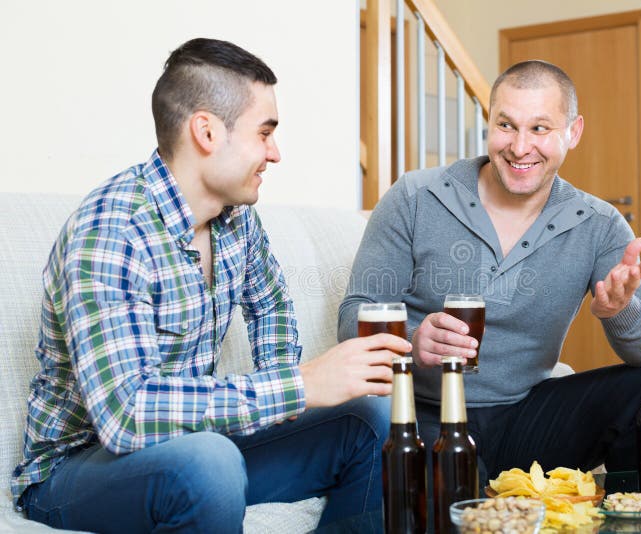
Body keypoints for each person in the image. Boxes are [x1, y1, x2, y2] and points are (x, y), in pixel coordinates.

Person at [12, 38, 410, 533]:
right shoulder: (112, 230)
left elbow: (272, 306)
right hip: (79, 469)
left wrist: (281, 385)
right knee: (209, 461)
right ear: (206, 131)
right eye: (264, 133)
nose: (275, 152)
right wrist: (296, 386)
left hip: (202, 443)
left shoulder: (236, 218)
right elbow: (126, 416)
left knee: (374, 417)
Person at [338, 60, 641, 487]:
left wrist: (620, 311)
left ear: (573, 132)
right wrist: (411, 340)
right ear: (489, 122)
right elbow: (353, 317)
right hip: (425, 414)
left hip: (527, 415)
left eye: (540, 128)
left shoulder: (599, 223)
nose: (519, 147)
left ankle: (638, 519)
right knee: (455, 486)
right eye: (506, 125)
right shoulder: (415, 197)